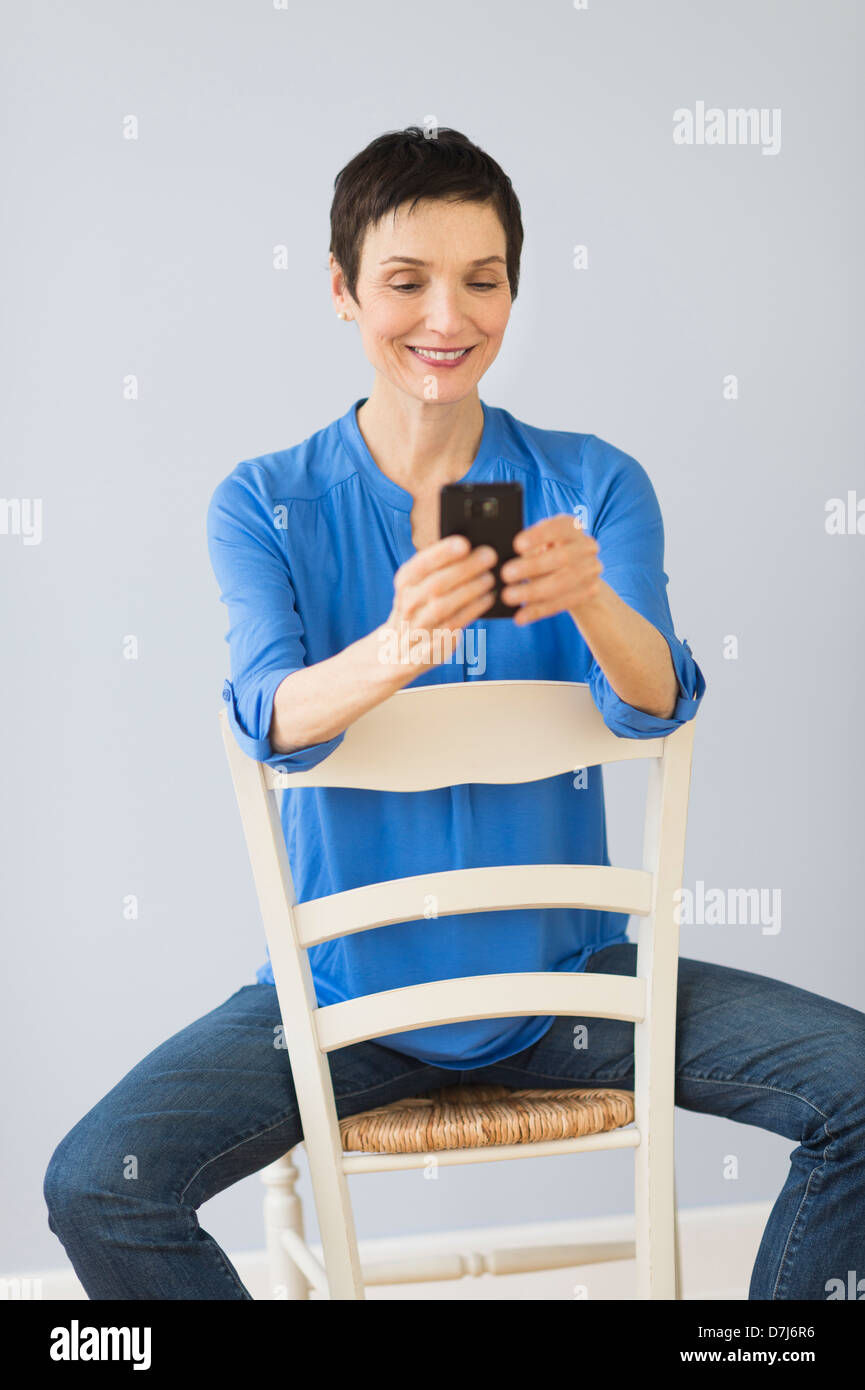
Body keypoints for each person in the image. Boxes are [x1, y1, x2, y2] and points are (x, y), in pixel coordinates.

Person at [44, 126, 865, 1301]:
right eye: (406, 280)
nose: (447, 315)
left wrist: (589, 602)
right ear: (340, 290)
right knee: (96, 1180)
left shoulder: (592, 481)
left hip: (574, 992)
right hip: (344, 1007)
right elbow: (269, 713)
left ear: (515, 292)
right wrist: (393, 650)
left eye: (483, 280)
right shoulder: (266, 501)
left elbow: (654, 701)